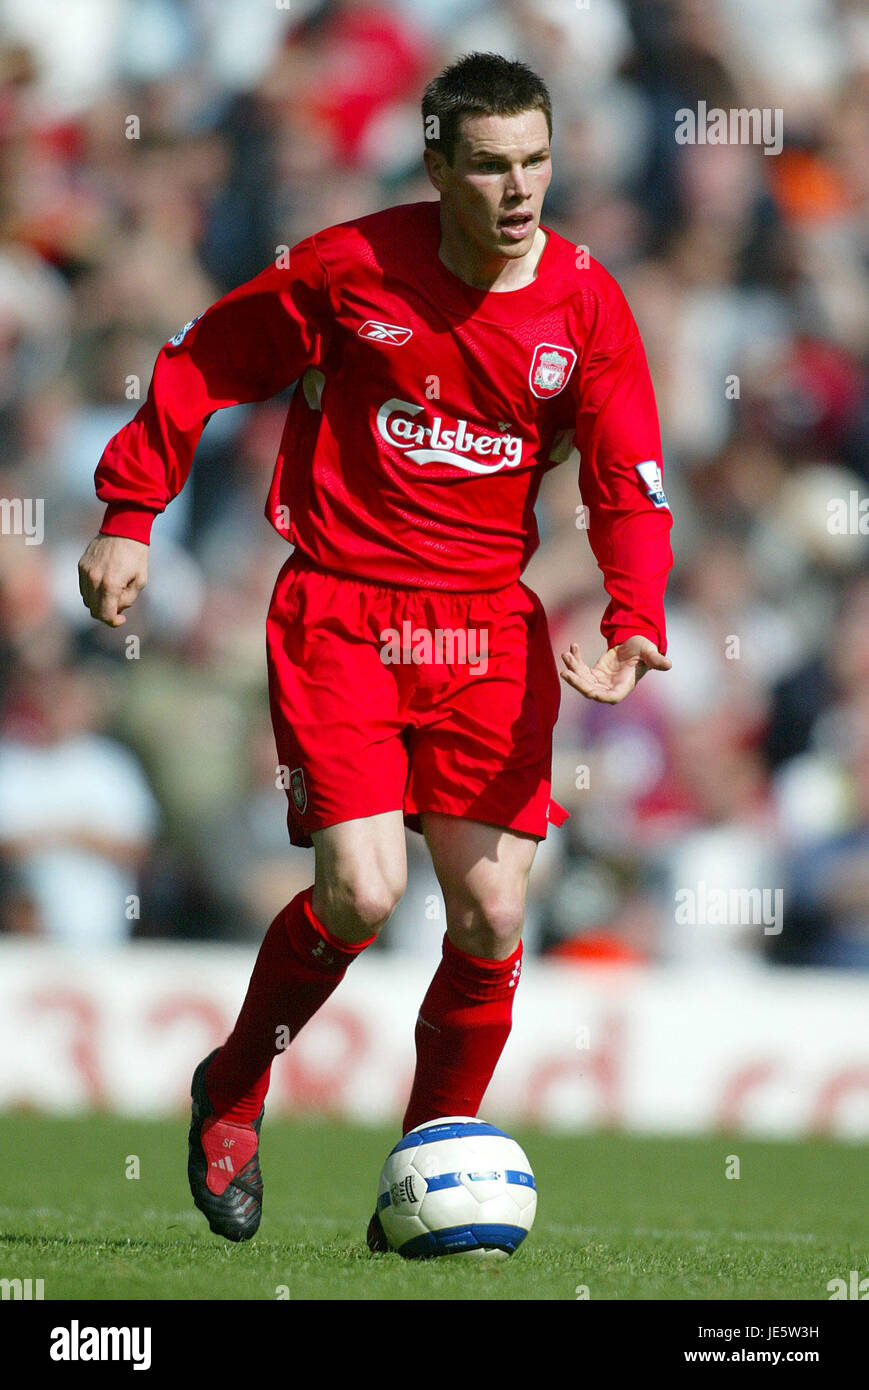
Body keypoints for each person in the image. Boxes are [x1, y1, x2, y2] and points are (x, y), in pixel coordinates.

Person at [77, 53, 673, 1249]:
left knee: (495, 911)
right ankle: (234, 1085)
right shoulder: (350, 269)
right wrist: (130, 512)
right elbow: (202, 361)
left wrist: (633, 618)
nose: (519, 190)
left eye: (537, 161)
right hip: (344, 612)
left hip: (486, 626)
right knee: (360, 891)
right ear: (437, 165)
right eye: (492, 165)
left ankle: (423, 1170)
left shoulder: (585, 305)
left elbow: (627, 482)